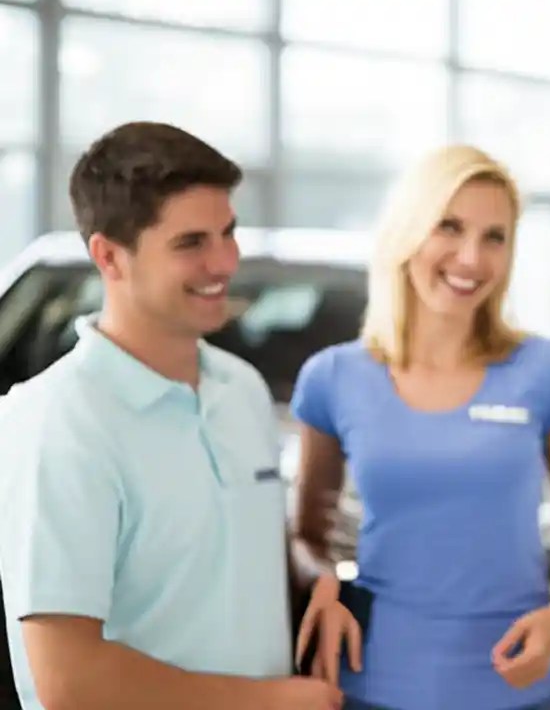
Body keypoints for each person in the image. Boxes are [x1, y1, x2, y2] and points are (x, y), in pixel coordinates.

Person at [0, 121, 351, 710]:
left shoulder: (239, 390)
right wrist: (272, 702)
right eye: (191, 243)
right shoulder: (58, 423)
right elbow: (69, 680)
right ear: (109, 256)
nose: (224, 263)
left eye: (228, 233)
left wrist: (316, 579)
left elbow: (239, 546)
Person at [288, 144, 550, 710]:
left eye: (494, 237)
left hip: (520, 692)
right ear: (407, 231)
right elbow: (305, 536)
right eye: (449, 227)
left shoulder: (548, 371)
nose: (470, 258)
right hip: (373, 685)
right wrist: (324, 583)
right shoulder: (333, 378)